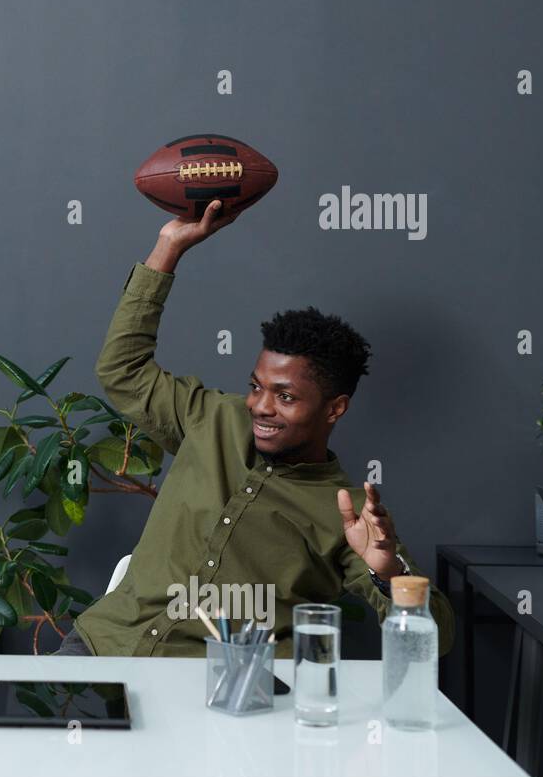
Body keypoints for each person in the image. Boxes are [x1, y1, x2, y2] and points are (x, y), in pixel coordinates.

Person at [53, 199, 454, 657]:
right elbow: (122, 371)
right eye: (255, 387)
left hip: (222, 693)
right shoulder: (215, 418)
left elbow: (436, 640)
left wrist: (388, 573)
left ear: (334, 408)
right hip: (103, 646)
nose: (260, 407)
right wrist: (168, 247)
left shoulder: (350, 514)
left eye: (285, 397)